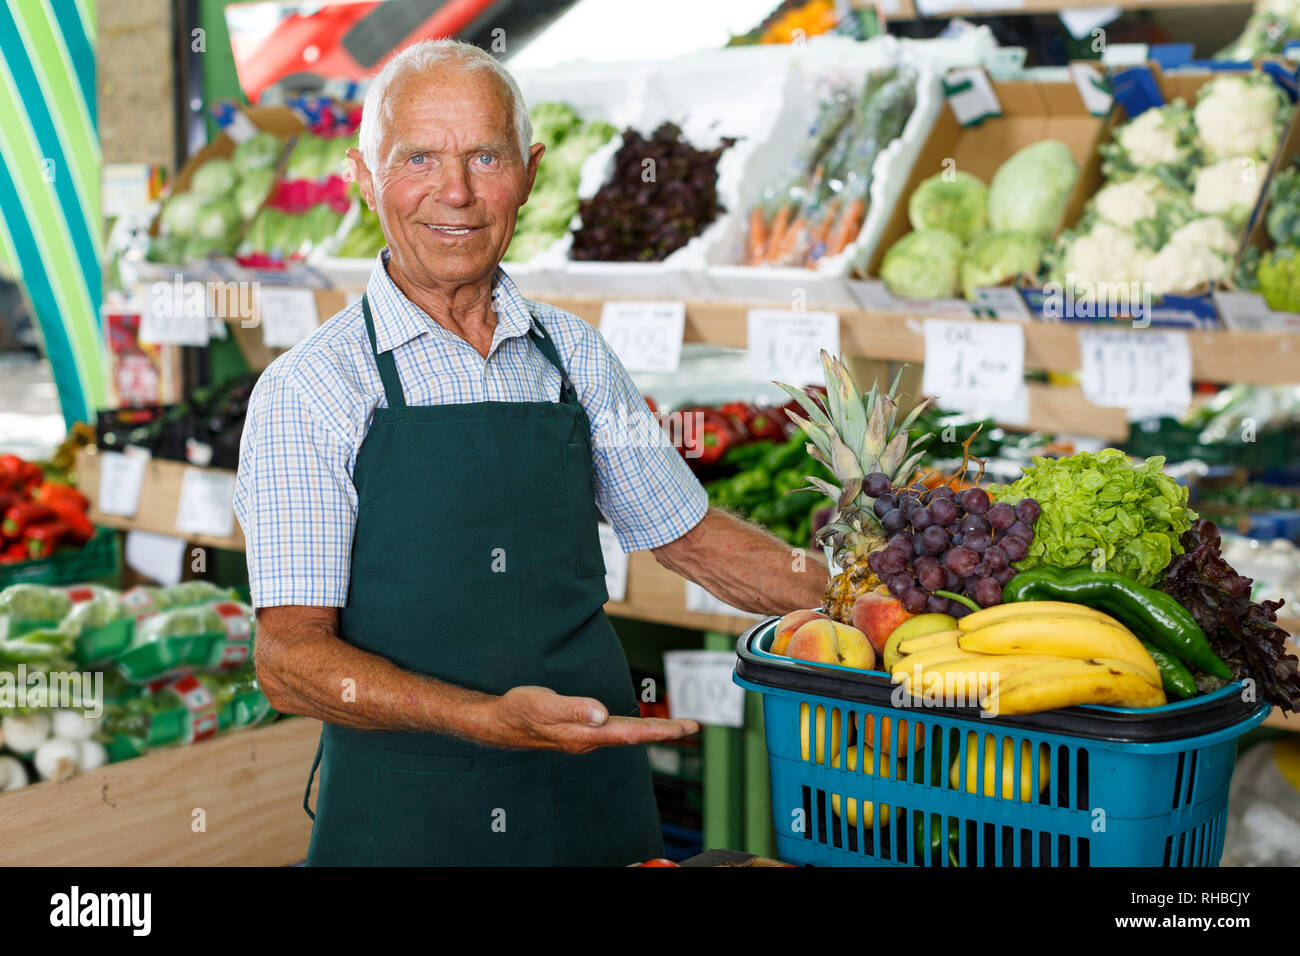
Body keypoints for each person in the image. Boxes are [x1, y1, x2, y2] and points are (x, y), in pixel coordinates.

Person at [234, 38, 828, 866]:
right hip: (410, 815)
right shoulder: (313, 389)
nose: (457, 192)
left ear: (531, 168)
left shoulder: (574, 356)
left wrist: (858, 595)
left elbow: (688, 536)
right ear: (363, 179)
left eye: (486, 155)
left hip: (591, 789)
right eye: (418, 159)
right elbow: (290, 661)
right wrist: (486, 720)